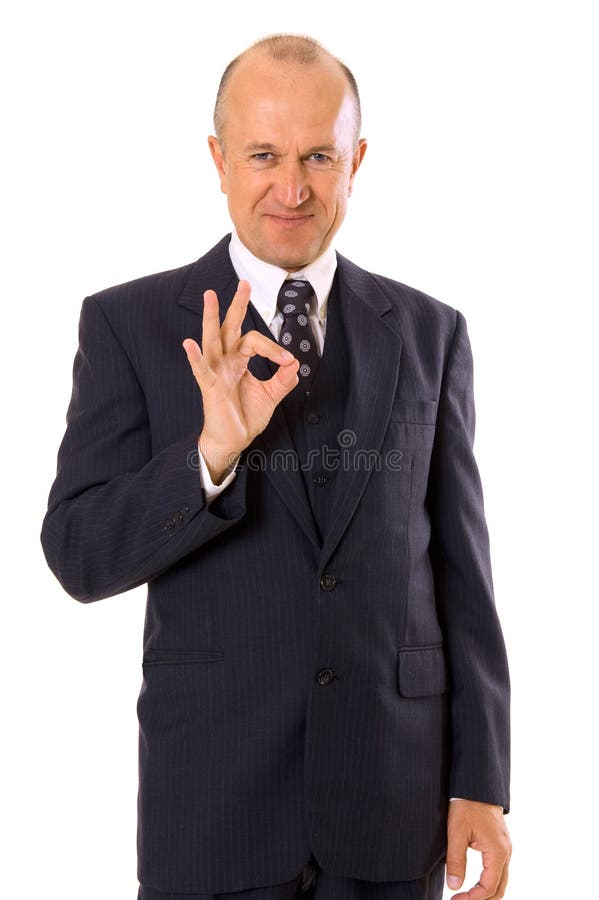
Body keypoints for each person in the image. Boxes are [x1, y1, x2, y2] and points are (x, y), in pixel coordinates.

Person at [40, 33, 511, 900]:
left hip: (390, 805)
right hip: (213, 811)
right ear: (218, 159)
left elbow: (460, 574)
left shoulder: (429, 333)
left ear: (355, 159)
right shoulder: (127, 325)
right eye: (262, 155)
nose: (289, 189)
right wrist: (209, 456)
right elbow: (77, 553)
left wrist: (479, 777)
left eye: (317, 157)